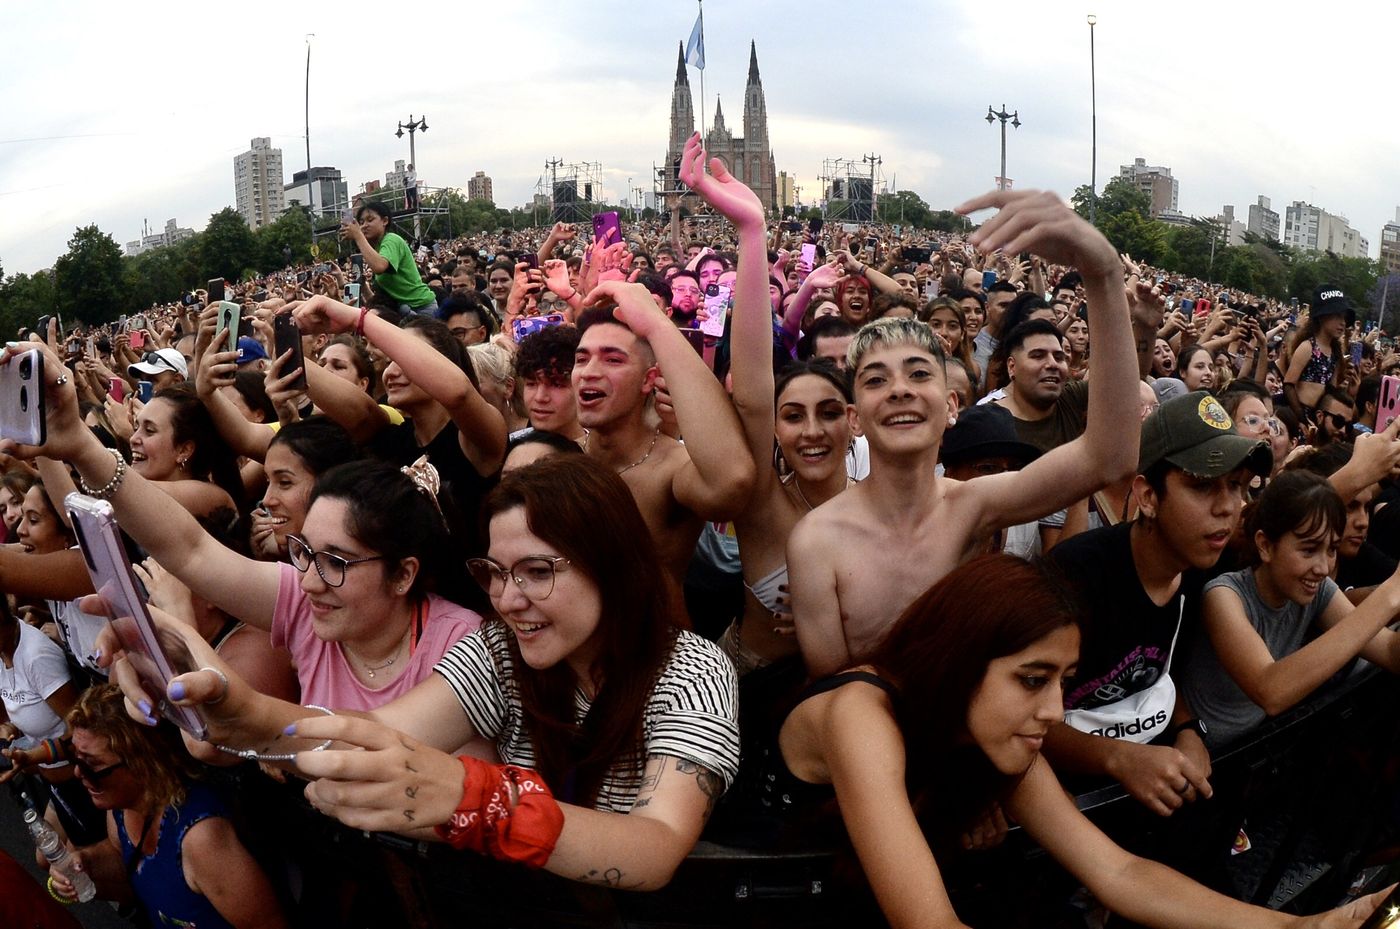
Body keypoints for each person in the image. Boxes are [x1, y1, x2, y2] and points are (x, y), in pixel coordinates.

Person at [100, 456, 739, 892]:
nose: (509, 599)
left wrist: (481, 798)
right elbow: (366, 735)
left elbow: (655, 846)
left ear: (614, 565)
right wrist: (221, 695)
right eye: (497, 573)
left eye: (538, 572)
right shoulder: (499, 653)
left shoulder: (691, 669)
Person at [776, 555, 1386, 929]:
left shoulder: (995, 731)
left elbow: (1117, 871)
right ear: (959, 660)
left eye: (1063, 681)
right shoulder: (863, 714)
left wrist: (1298, 927)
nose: (1054, 709)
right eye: (1032, 679)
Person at [0, 343, 481, 710]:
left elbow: (359, 750)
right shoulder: (302, 603)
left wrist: (179, 633)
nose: (308, 580)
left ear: (403, 574)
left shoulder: (462, 645)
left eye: (336, 561)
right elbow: (190, 550)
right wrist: (77, 444)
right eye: (303, 554)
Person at [790, 189, 1145, 677]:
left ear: (952, 406)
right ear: (854, 419)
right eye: (875, 380)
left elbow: (1111, 456)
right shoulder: (816, 541)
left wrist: (1102, 272)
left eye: (919, 374)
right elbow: (834, 691)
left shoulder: (973, 507)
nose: (900, 390)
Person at [1044, 391, 1272, 815]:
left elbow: (1158, 677)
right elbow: (1021, 714)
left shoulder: (1203, 565)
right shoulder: (1075, 575)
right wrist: (1119, 759)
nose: (1228, 507)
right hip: (1070, 800)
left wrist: (1188, 728)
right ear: (1148, 497)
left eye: (1236, 485)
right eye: (1203, 485)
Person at [678, 134, 856, 674]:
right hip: (748, 690)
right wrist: (751, 233)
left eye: (829, 412)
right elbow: (754, 386)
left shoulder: (886, 503)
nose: (811, 431)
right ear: (775, 428)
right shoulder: (763, 502)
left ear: (855, 419)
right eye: (792, 415)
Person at [1180, 470, 1400, 751]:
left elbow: (1389, 651)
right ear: (1265, 546)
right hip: (1203, 756)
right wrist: (1389, 596)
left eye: (1331, 549)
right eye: (1309, 550)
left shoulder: (1318, 591)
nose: (1323, 567)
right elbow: (1271, 690)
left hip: (1255, 750)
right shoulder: (1223, 595)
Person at [571, 269, 754, 597]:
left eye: (612, 360)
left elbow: (730, 484)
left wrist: (657, 325)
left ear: (648, 379)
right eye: (581, 359)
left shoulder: (673, 468)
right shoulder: (560, 456)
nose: (589, 372)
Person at [51, 684, 289, 928]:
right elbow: (123, 855)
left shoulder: (202, 841)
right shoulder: (121, 809)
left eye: (92, 765)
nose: (78, 773)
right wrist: (86, 861)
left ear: (141, 762)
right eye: (76, 759)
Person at [341, 202, 438, 316]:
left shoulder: (391, 240)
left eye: (370, 220)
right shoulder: (377, 249)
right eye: (361, 223)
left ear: (385, 221)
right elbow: (381, 300)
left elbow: (379, 266)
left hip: (421, 308)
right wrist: (362, 284)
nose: (364, 226)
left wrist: (358, 236)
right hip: (404, 310)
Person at [1283, 285, 1351, 421]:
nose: (1343, 323)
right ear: (1321, 317)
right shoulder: (1307, 347)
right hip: (1299, 414)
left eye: (1344, 318)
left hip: (1319, 418)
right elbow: (1288, 385)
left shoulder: (1335, 353)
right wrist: (1301, 419)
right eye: (1337, 316)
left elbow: (1331, 390)